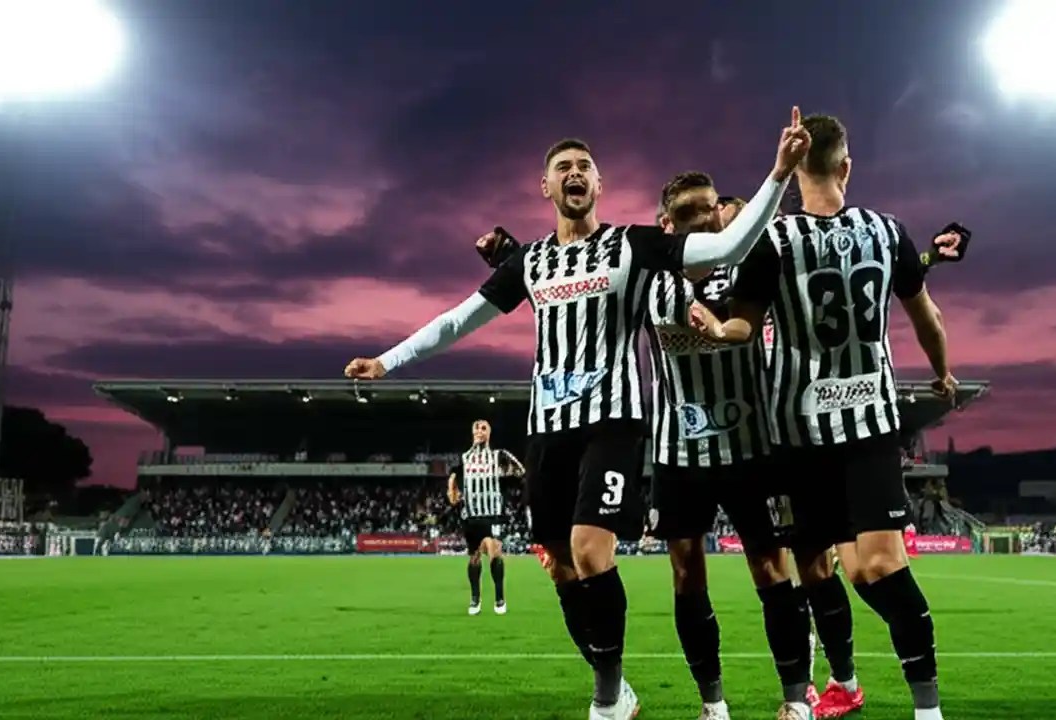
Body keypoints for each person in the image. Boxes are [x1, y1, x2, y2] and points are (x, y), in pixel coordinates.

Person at [345, 106, 811, 720]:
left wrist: (778, 174)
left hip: (613, 424)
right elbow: (459, 319)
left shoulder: (635, 246)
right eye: (562, 167)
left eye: (585, 167)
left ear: (599, 185)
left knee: (592, 550)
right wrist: (388, 361)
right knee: (561, 565)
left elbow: (726, 243)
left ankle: (606, 700)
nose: (574, 173)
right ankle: (616, 689)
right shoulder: (531, 263)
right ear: (546, 186)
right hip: (548, 432)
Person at [477, 184, 963, 720]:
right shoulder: (647, 279)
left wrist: (925, 259)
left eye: (710, 208)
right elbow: (578, 288)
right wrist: (513, 255)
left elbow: (837, 274)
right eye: (689, 212)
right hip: (677, 454)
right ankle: (714, 703)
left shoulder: (752, 264)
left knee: (774, 572)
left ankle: (797, 698)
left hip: (752, 447)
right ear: (667, 222)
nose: (704, 218)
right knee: (688, 577)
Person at [694, 114, 955, 720]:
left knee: (859, 568)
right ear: (846, 167)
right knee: (855, 569)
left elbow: (742, 326)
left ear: (794, 176)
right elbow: (927, 319)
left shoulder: (772, 242)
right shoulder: (887, 231)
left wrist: (717, 330)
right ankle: (858, 688)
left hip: (801, 432)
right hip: (859, 428)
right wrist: (942, 372)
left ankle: (924, 708)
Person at [447, 418, 525, 615]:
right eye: (476, 428)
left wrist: (508, 478)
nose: (480, 431)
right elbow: (454, 476)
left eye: (484, 428)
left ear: (489, 433)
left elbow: (520, 471)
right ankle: (475, 599)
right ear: (473, 433)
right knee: (474, 557)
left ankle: (499, 598)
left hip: (493, 513)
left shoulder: (499, 455)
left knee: (494, 552)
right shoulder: (464, 457)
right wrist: (452, 492)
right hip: (471, 514)